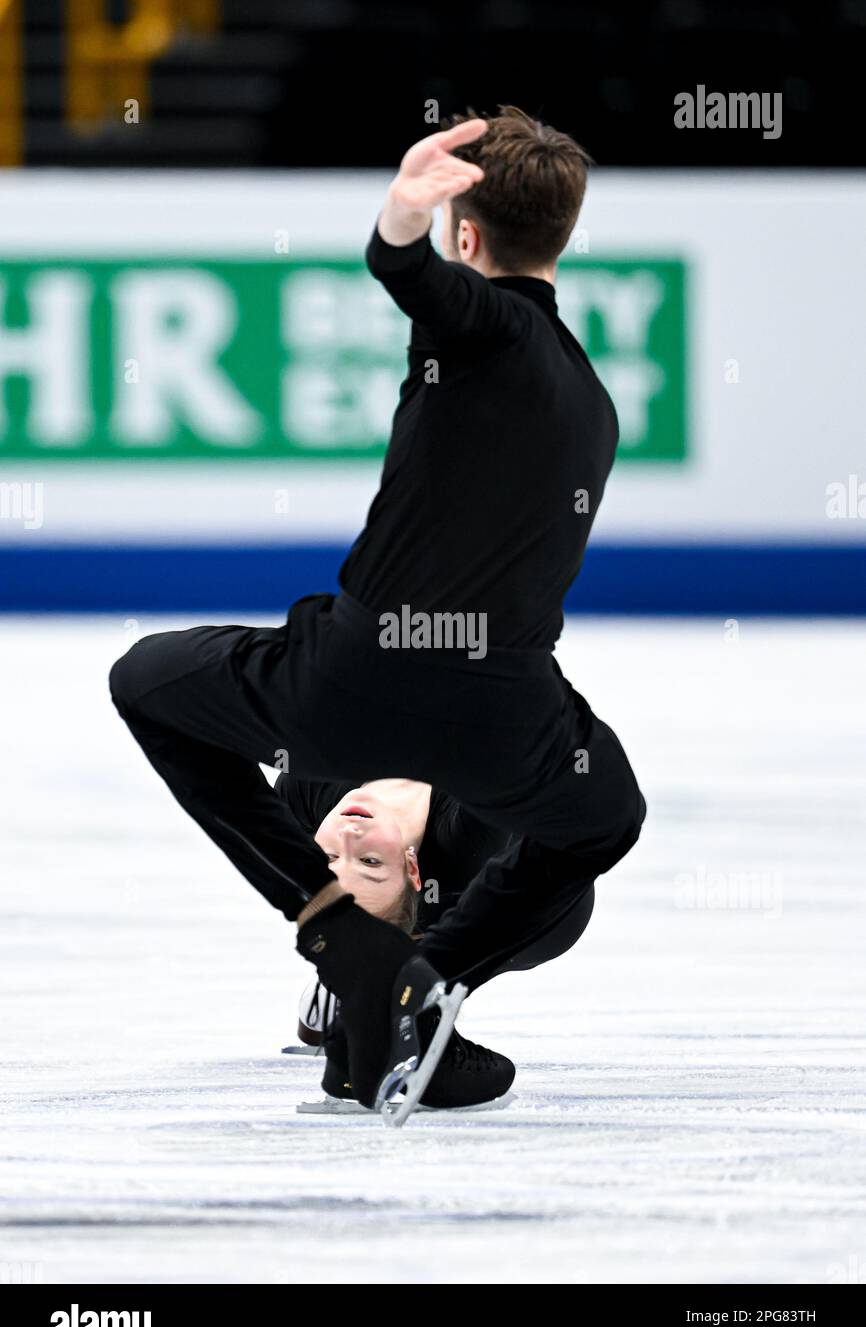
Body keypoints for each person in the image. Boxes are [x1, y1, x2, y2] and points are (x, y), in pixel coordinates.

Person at [109, 107, 646, 1122]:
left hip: (350, 681)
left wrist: (399, 222)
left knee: (145, 682)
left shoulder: (489, 331)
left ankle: (344, 941)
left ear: (467, 236)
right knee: (601, 819)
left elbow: (419, 285)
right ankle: (424, 981)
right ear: (563, 235)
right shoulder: (590, 398)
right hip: (503, 711)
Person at [279, 774, 595, 1109]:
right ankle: (391, 991)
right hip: (549, 915)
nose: (347, 835)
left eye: (329, 858)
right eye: (370, 861)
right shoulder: (473, 833)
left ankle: (367, 973)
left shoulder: (303, 790)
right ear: (412, 867)